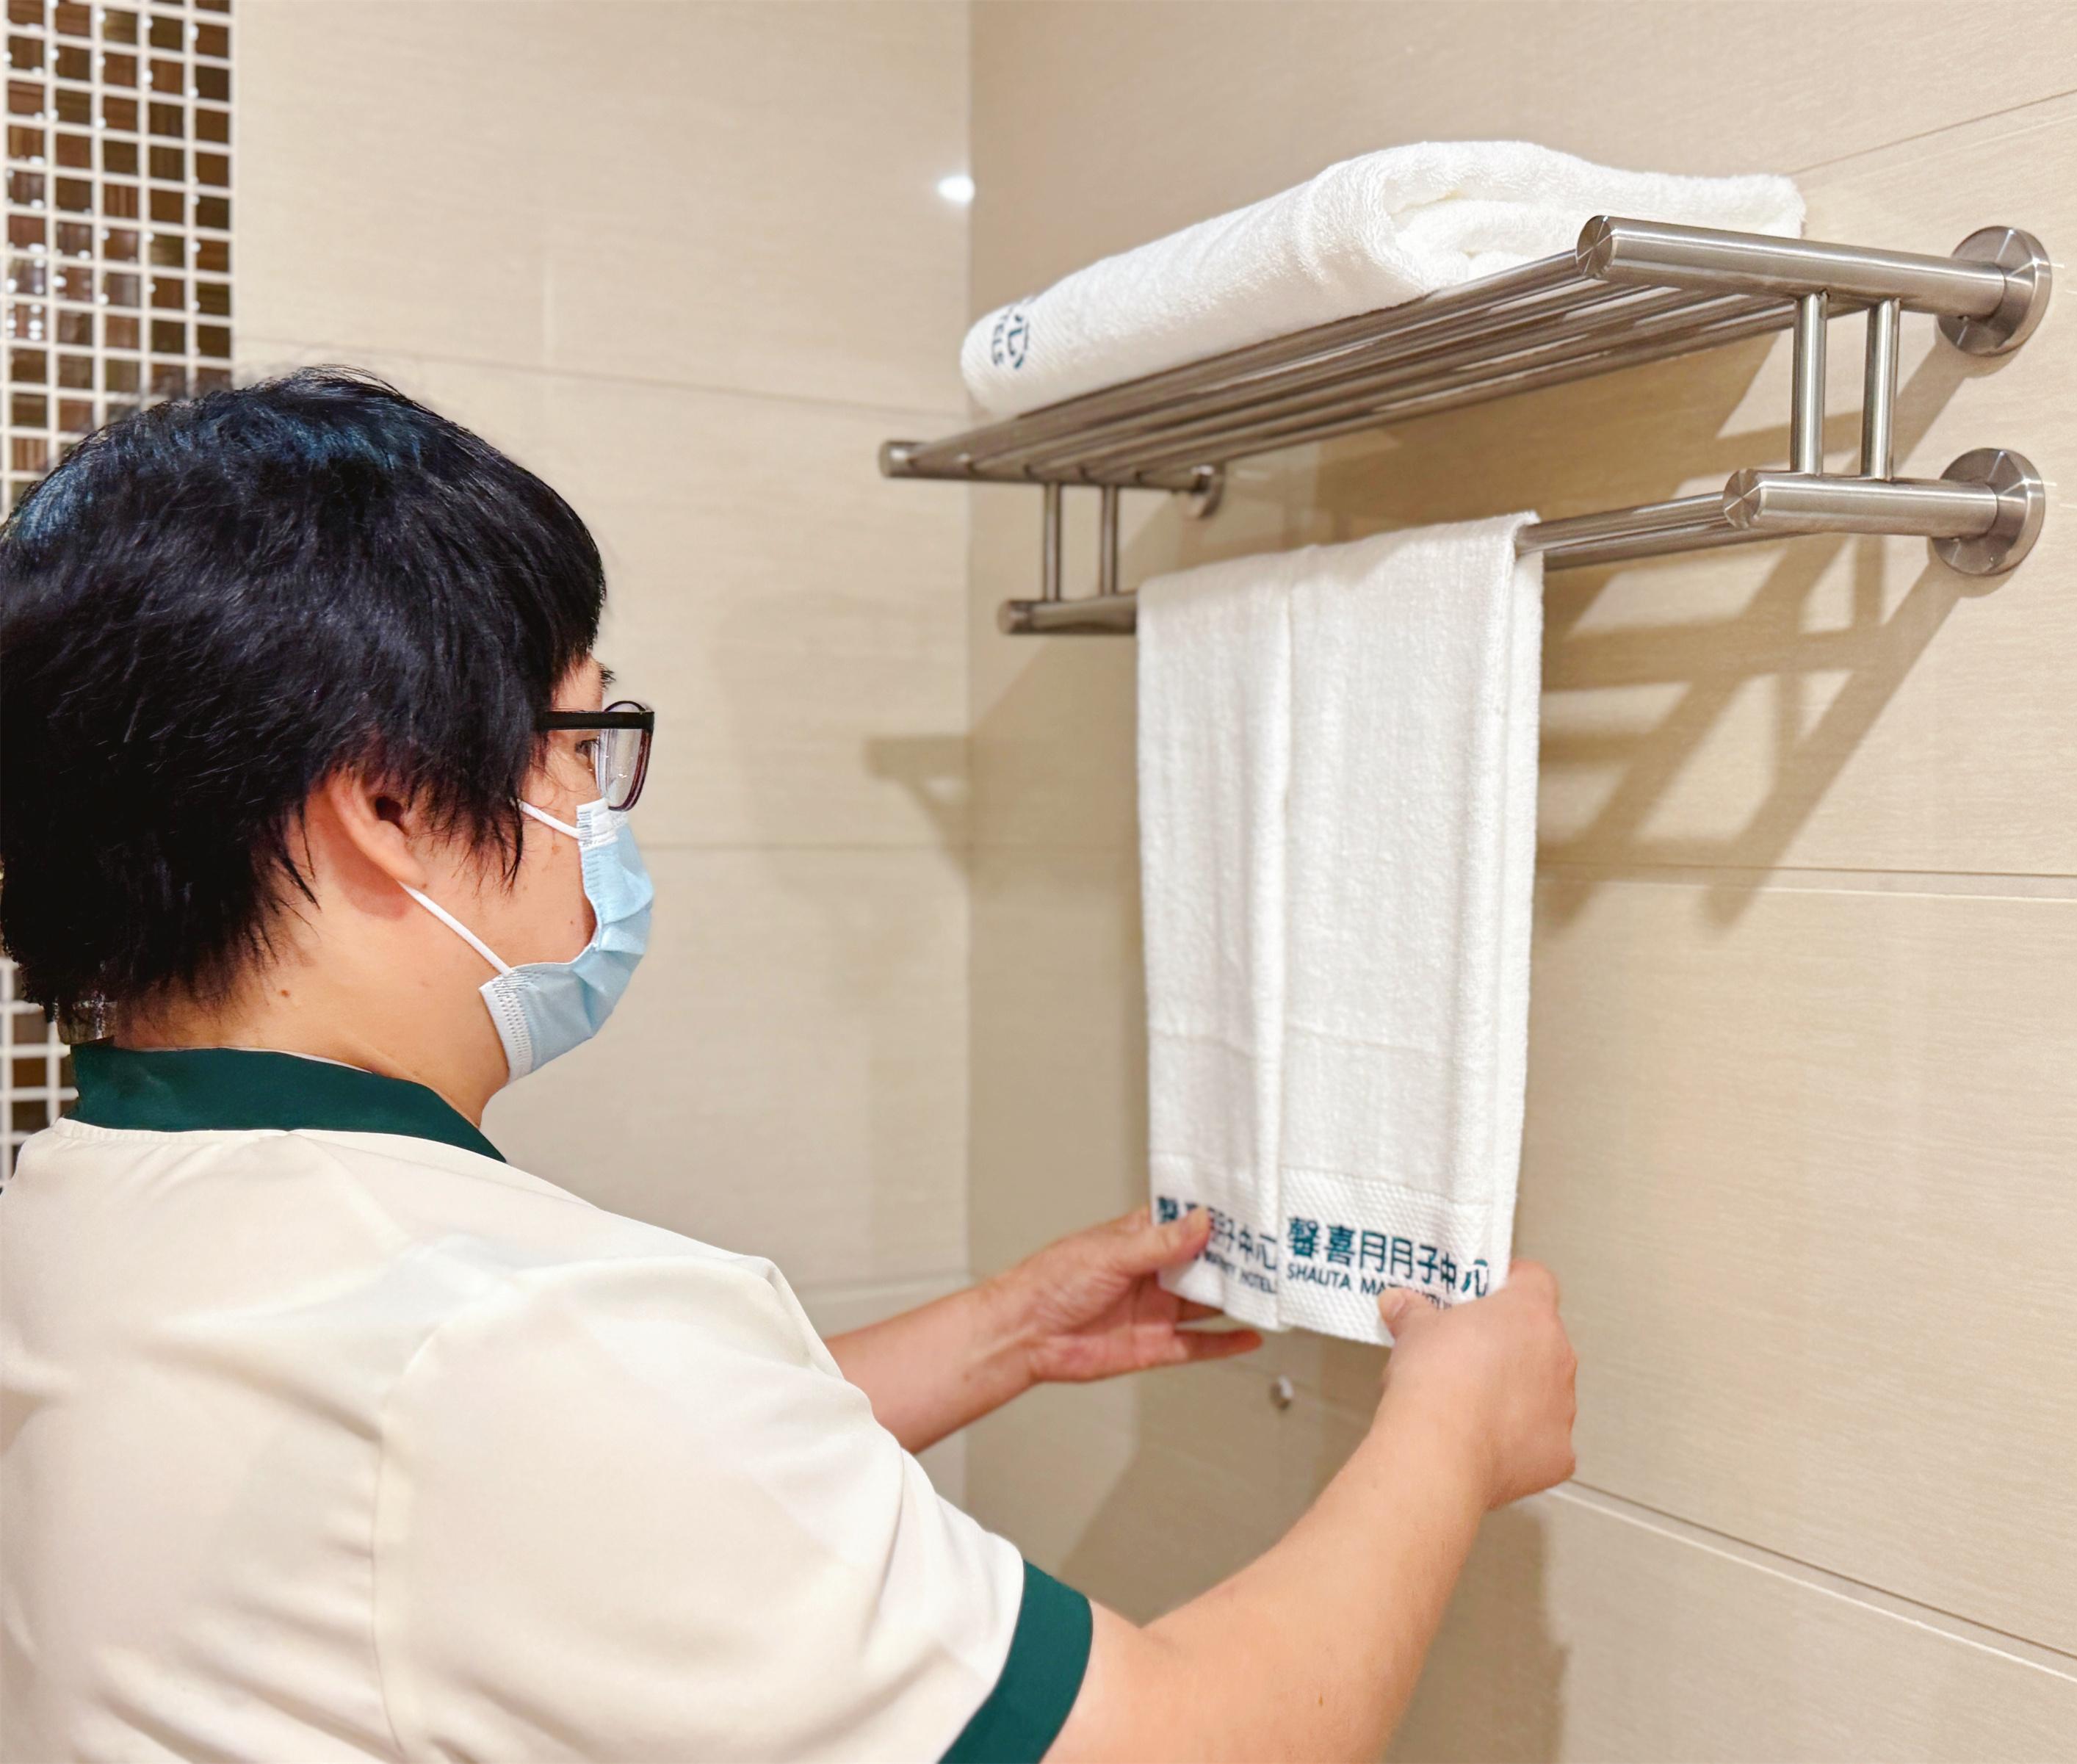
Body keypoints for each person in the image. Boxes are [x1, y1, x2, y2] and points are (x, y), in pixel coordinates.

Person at [0, 369, 1575, 1764]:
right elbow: (1183, 1742)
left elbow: (544, 1497)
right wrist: (1453, 1428)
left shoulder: (84, 1209)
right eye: (580, 743)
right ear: (394, 804)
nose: (601, 812)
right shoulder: (507, 1340)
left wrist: (1002, 1334)